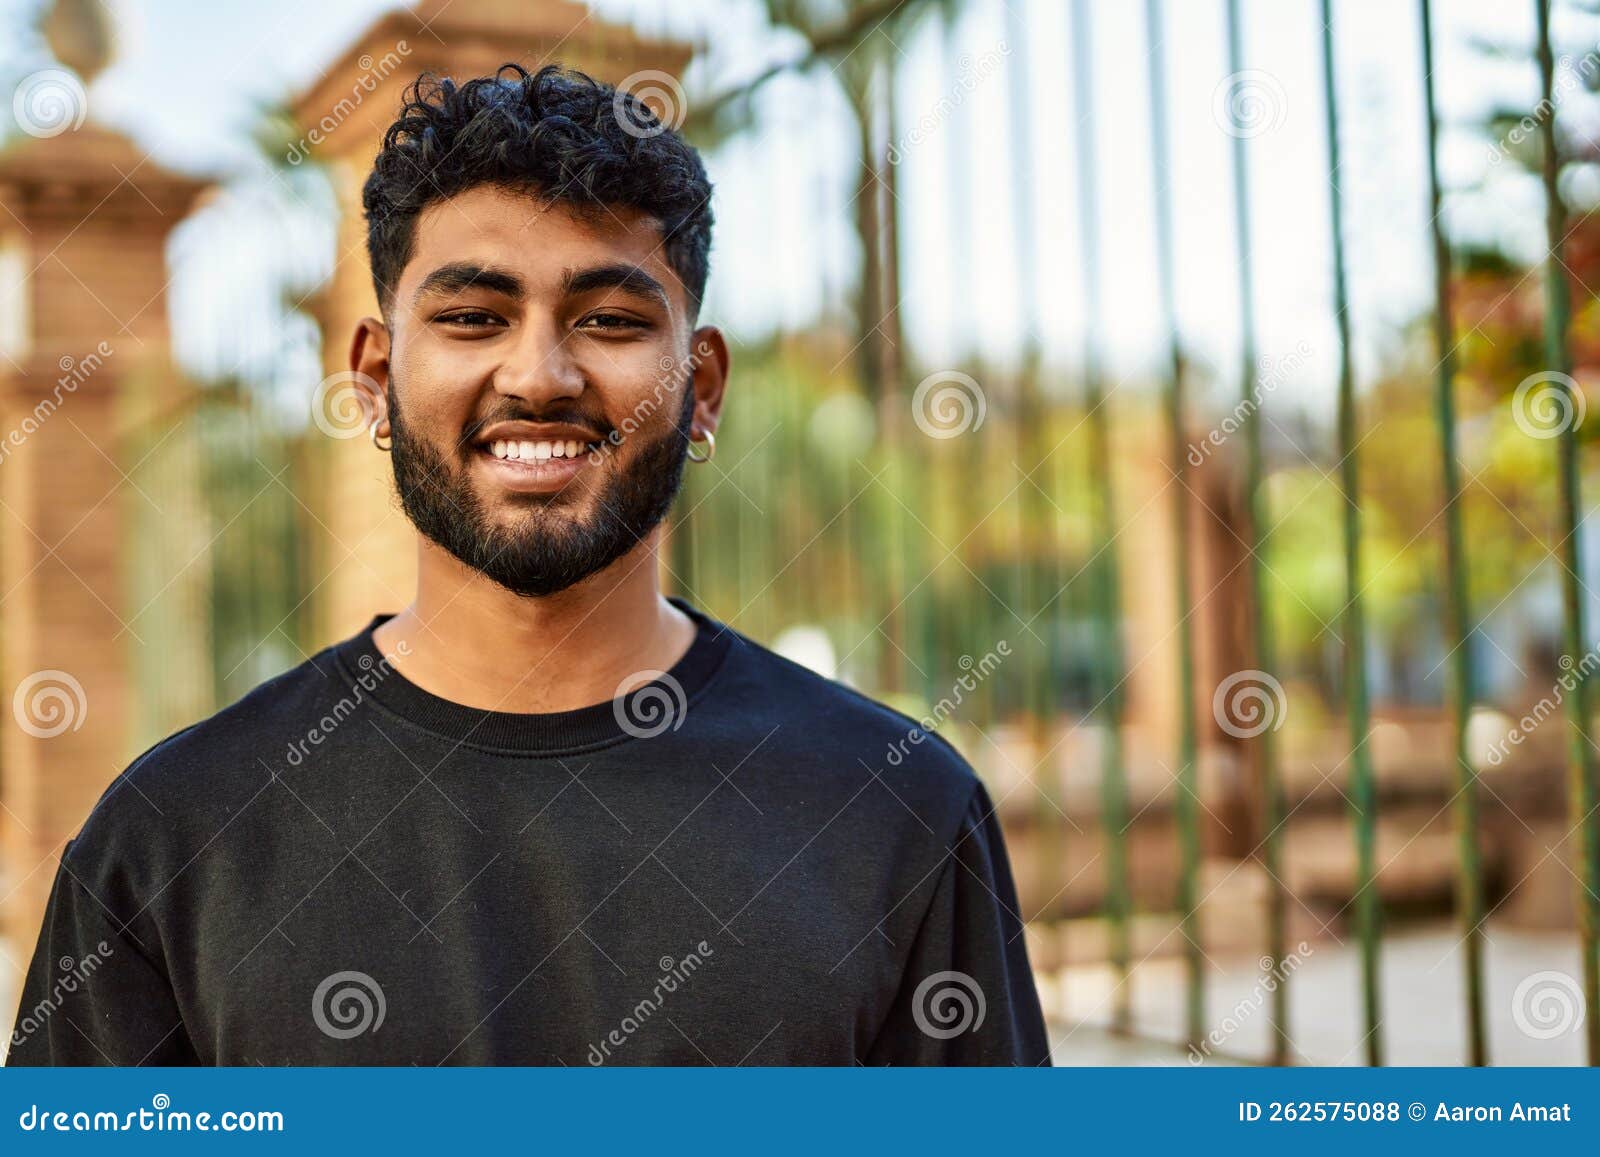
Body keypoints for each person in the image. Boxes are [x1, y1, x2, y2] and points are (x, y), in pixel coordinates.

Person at [6, 64, 1048, 1066]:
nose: (539, 374)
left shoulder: (892, 808)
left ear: (705, 386)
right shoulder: (172, 836)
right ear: (374, 377)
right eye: (471, 317)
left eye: (610, 319)